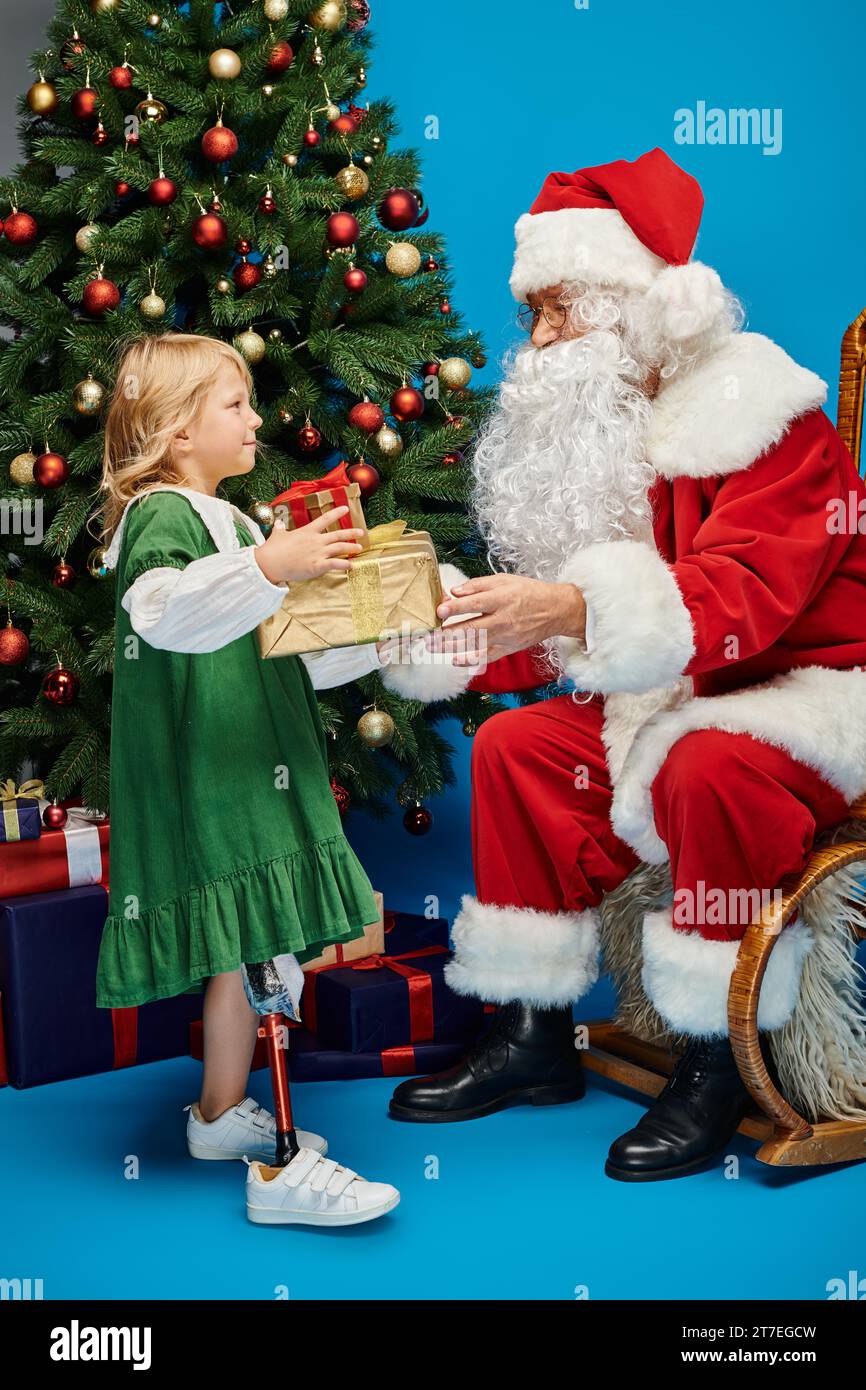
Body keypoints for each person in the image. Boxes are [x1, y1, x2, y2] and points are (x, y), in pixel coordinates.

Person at [379, 147, 866, 1182]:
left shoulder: (767, 418)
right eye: (533, 316)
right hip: (668, 697)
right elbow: (564, 634)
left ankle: (715, 1055)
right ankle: (532, 1034)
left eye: (559, 312)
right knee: (517, 747)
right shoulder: (601, 437)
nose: (538, 340)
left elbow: (746, 601)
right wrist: (441, 629)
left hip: (804, 698)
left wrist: (566, 604)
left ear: (632, 307)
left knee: (709, 767)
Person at [95, 331, 399, 1226]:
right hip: (218, 771)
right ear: (178, 433)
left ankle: (220, 1115)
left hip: (257, 754)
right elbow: (159, 613)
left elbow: (281, 651)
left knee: (241, 947)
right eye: (236, 405)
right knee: (262, 942)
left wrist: (378, 630)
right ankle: (279, 1177)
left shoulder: (228, 521)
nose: (258, 418)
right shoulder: (162, 515)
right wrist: (273, 565)